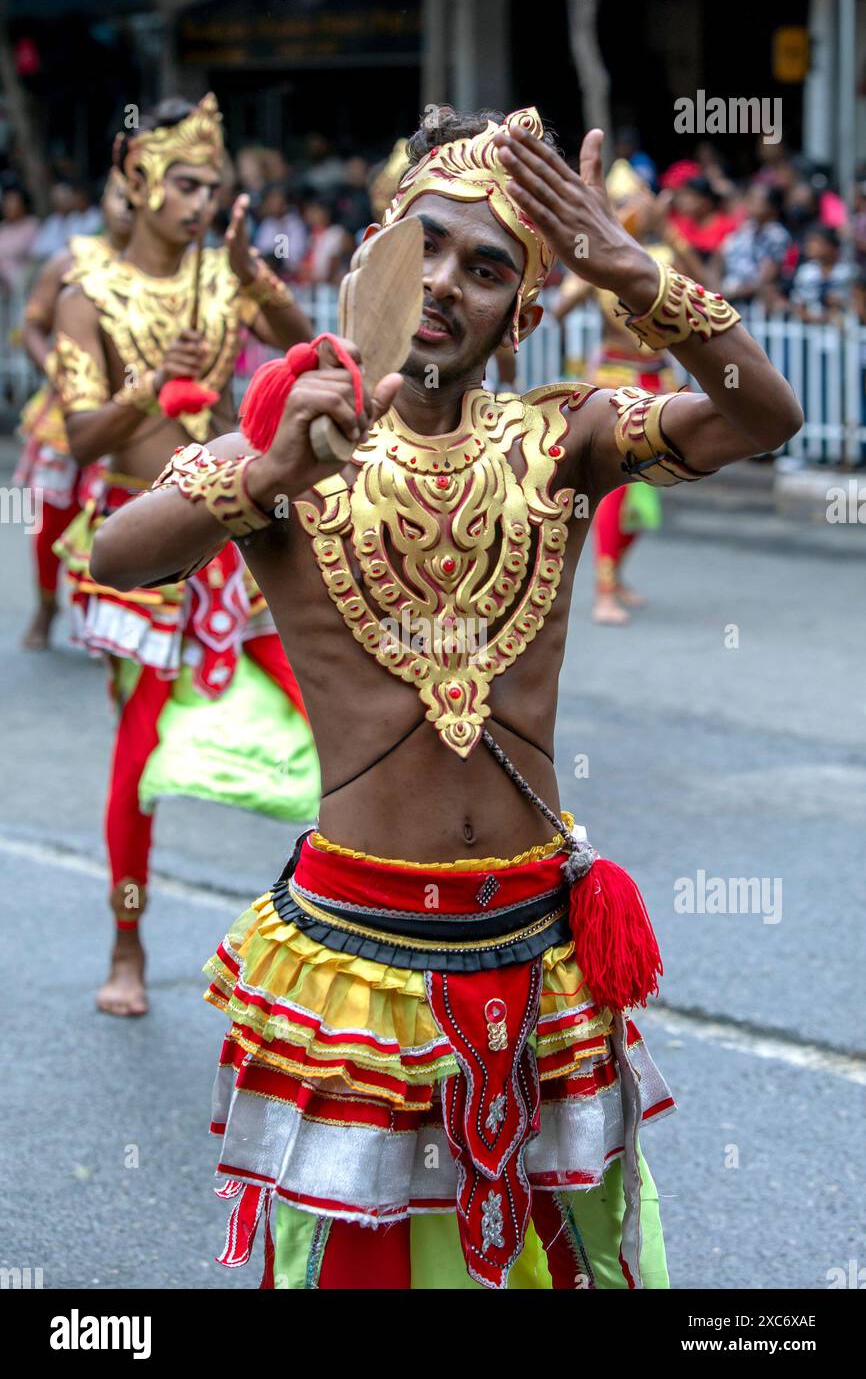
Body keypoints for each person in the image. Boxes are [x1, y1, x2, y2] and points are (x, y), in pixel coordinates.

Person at [90, 105, 802, 1289]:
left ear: (523, 309)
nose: (441, 284)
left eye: (484, 268)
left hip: (534, 939)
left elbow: (760, 418)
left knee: (552, 1259)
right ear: (376, 257)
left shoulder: (565, 433)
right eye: (422, 247)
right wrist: (266, 477)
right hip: (361, 953)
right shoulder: (297, 434)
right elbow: (117, 556)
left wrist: (628, 270)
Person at [52, 94, 318, 1018]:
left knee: (332, 704)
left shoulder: (228, 278)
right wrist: (145, 389)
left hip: (232, 534)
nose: (202, 202)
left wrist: (258, 277)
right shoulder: (87, 293)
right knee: (138, 756)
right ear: (138, 179)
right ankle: (127, 946)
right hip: (139, 538)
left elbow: (328, 358)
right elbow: (83, 437)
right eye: (185, 184)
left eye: (214, 185)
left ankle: (349, 931)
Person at [553, 159, 707, 624]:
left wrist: (670, 234)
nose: (631, 211)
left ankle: (615, 576)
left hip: (655, 380)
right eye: (620, 205)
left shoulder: (658, 256)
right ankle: (602, 592)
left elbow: (707, 290)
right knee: (615, 491)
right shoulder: (601, 259)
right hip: (616, 382)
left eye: (634, 203)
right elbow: (559, 309)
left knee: (650, 485)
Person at [15, 171, 134, 649]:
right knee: (53, 520)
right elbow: (31, 328)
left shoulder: (165, 272)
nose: (128, 208)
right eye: (119, 197)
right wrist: (58, 373)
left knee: (113, 521)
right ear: (103, 202)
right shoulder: (68, 261)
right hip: (66, 418)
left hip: (129, 418)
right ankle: (45, 612)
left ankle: (106, 621)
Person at [721, 182, 791, 304]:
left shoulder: (776, 235)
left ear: (772, 206)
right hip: (729, 295)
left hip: (752, 303)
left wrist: (729, 293)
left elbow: (765, 279)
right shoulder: (745, 228)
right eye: (750, 198)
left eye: (756, 199)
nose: (750, 203)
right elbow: (720, 257)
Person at [790, 226, 852, 324]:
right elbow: (797, 302)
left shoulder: (847, 272)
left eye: (815, 242)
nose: (809, 246)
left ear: (831, 246)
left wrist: (839, 304)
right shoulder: (806, 272)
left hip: (844, 328)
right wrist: (810, 317)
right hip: (811, 330)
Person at [0, 181, 39, 291]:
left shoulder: (31, 225)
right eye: (6, 202)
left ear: (23, 205)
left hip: (21, 277)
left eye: (13, 202)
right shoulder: (3, 227)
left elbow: (33, 256)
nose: (8, 207)